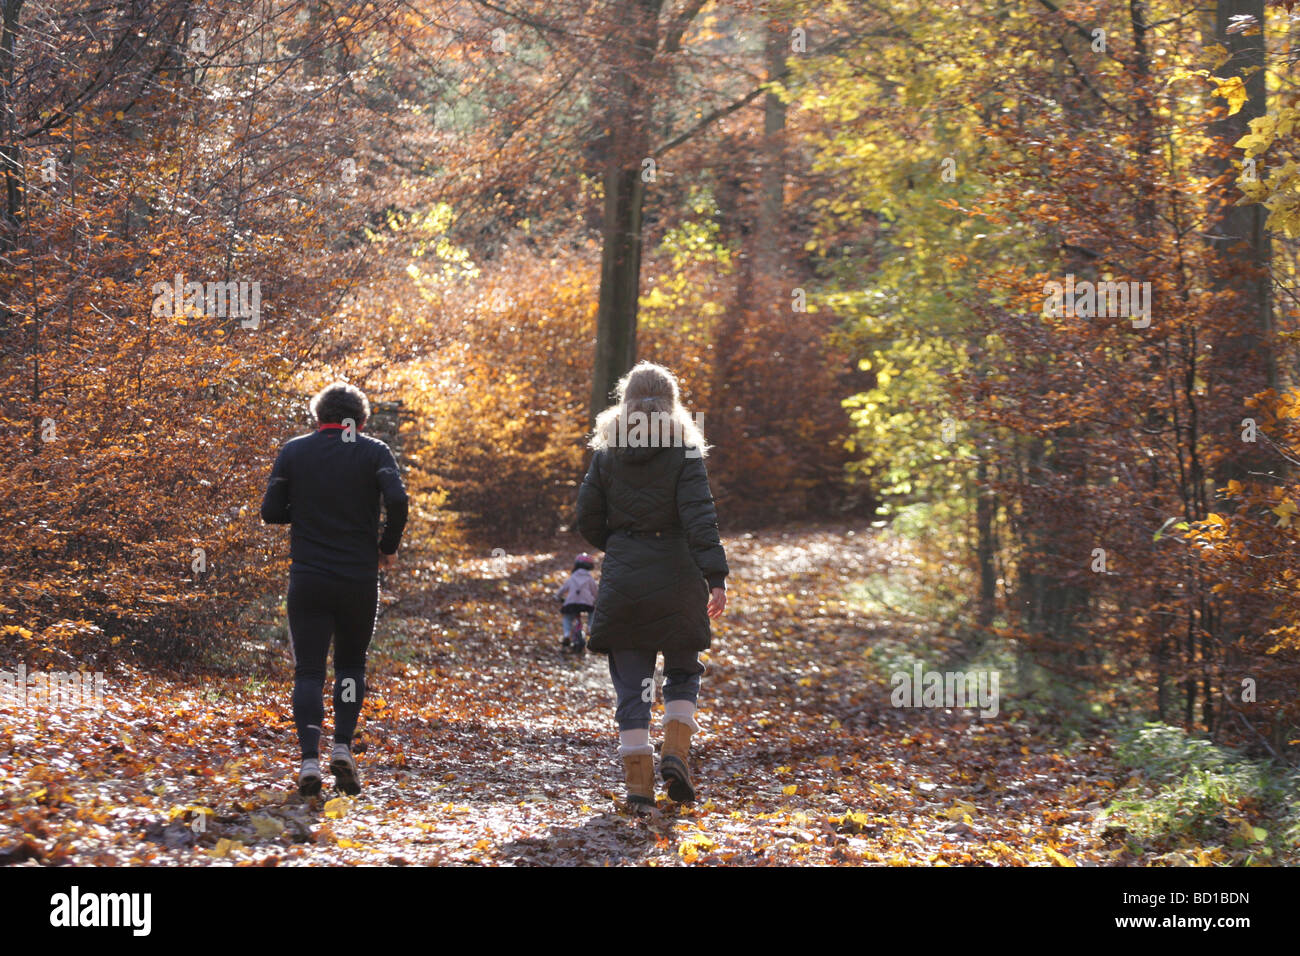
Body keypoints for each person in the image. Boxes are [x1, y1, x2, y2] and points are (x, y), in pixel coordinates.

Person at [576, 362, 728, 807]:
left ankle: (639, 785)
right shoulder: (684, 452)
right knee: (683, 670)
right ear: (672, 402)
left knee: (632, 681)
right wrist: (715, 577)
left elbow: (587, 518)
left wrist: (621, 545)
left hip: (624, 577)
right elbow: (701, 518)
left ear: (625, 401)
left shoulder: (606, 454)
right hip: (679, 577)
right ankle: (675, 753)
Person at [260, 382, 408, 797]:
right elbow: (397, 501)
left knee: (308, 669)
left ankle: (309, 758)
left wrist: (306, 509)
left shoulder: (294, 451)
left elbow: (270, 512)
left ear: (317, 417)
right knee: (350, 667)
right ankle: (342, 746)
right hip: (358, 579)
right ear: (361, 421)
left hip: (309, 578)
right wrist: (387, 546)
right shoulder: (374, 451)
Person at [556, 553, 598, 652]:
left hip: (571, 603)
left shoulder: (572, 577)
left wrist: (557, 596)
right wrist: (597, 600)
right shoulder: (589, 578)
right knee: (592, 612)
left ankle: (566, 634)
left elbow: (563, 589)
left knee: (567, 617)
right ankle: (590, 627)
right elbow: (595, 592)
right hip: (587, 604)